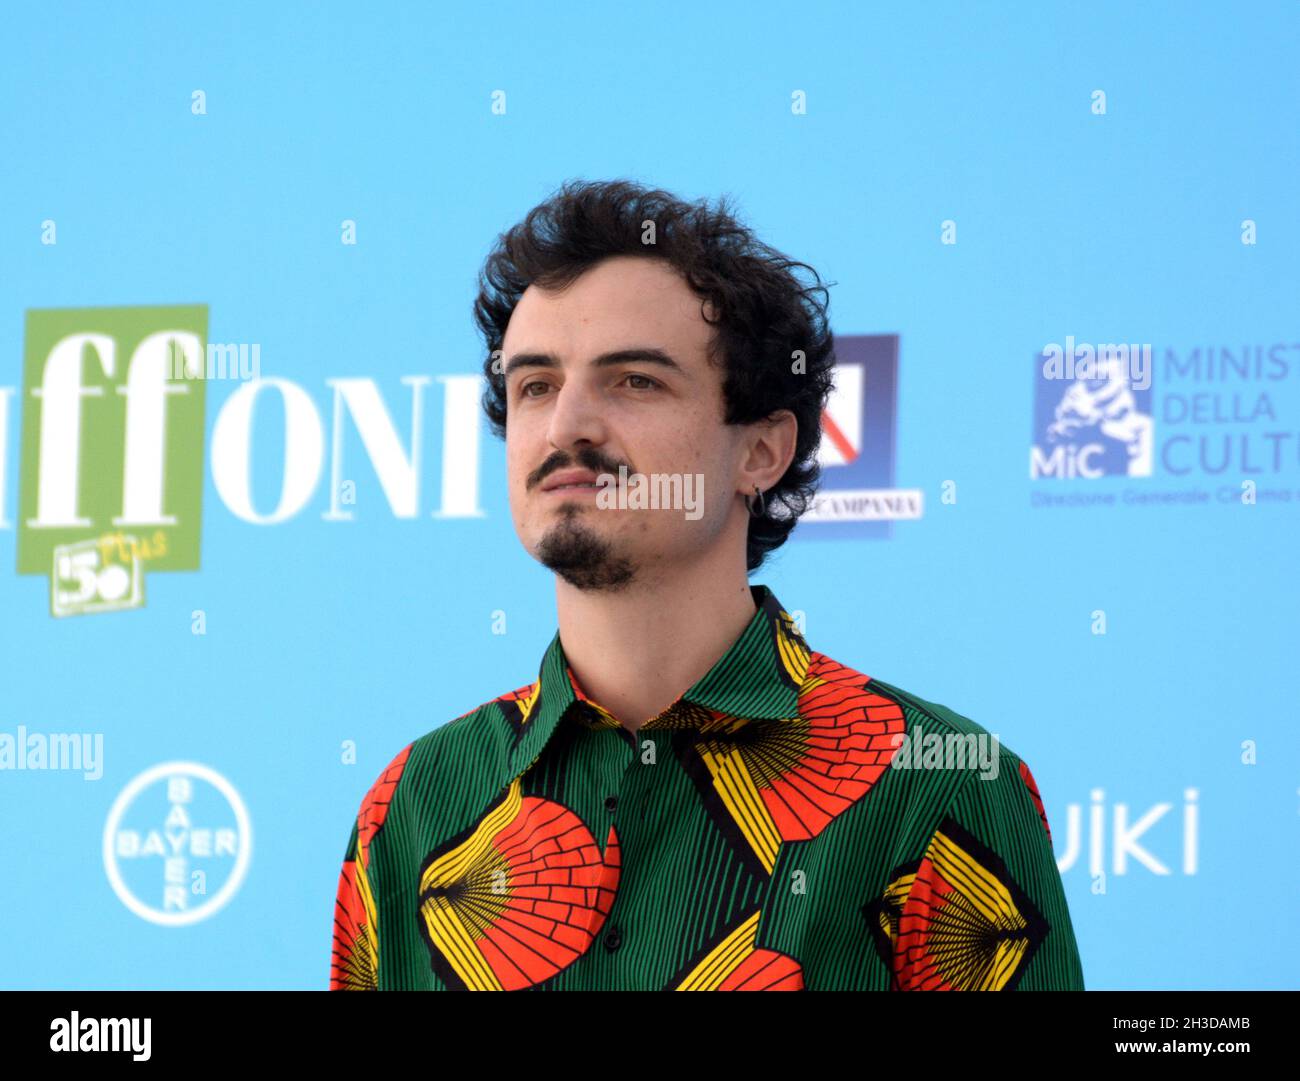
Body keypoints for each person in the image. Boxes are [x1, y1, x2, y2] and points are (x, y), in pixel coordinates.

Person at [330, 178, 1085, 991]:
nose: (566, 425)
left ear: (760, 450)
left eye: (634, 381)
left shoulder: (936, 782)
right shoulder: (416, 803)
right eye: (535, 385)